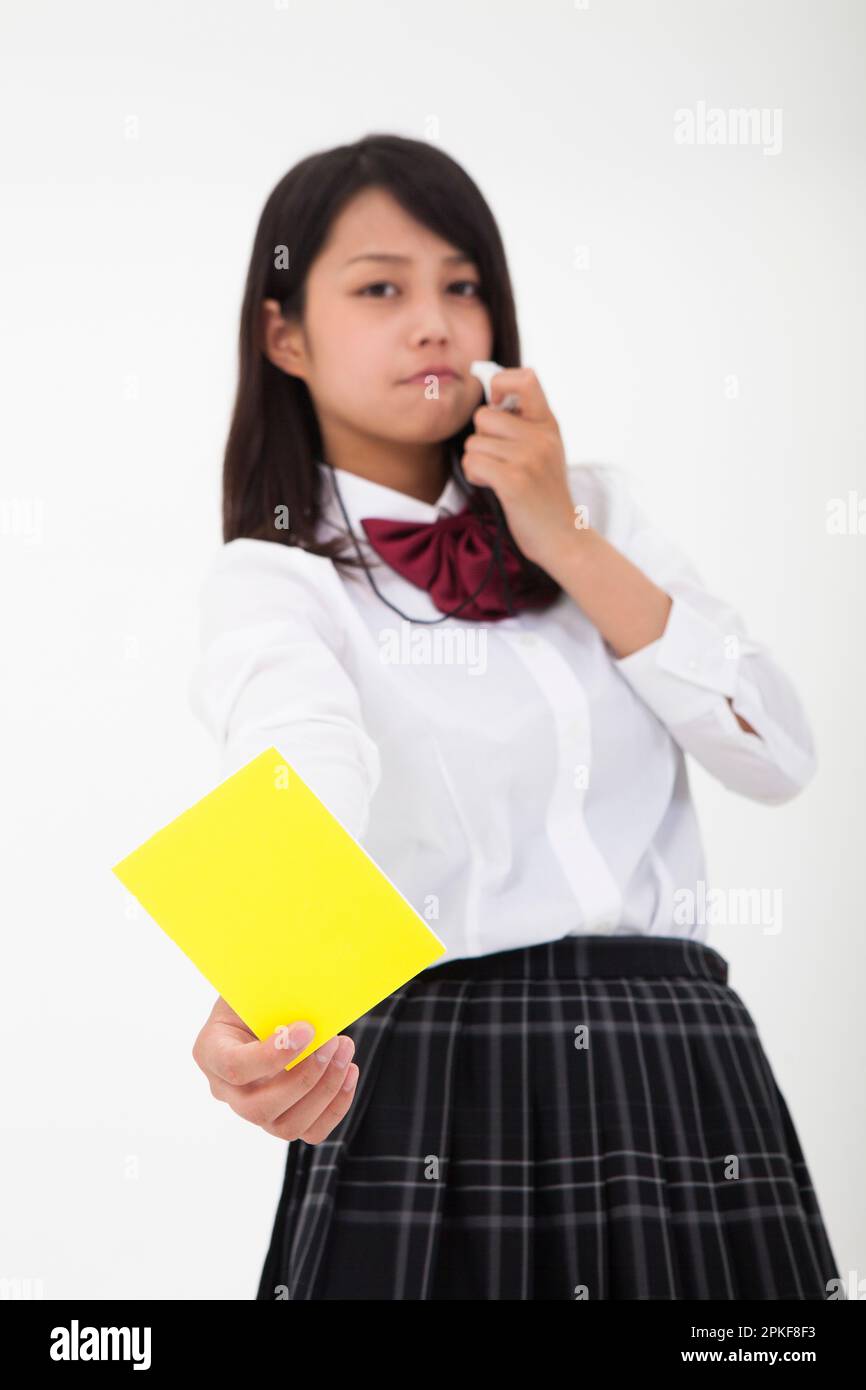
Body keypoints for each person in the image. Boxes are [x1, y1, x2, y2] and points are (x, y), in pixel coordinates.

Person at [188, 133, 842, 1300]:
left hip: (675, 1067)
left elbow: (776, 753)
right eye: (380, 287)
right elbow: (302, 754)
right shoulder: (277, 578)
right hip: (436, 1076)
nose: (434, 322)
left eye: (463, 285)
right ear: (283, 334)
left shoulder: (598, 513)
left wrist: (561, 537)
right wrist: (258, 972)